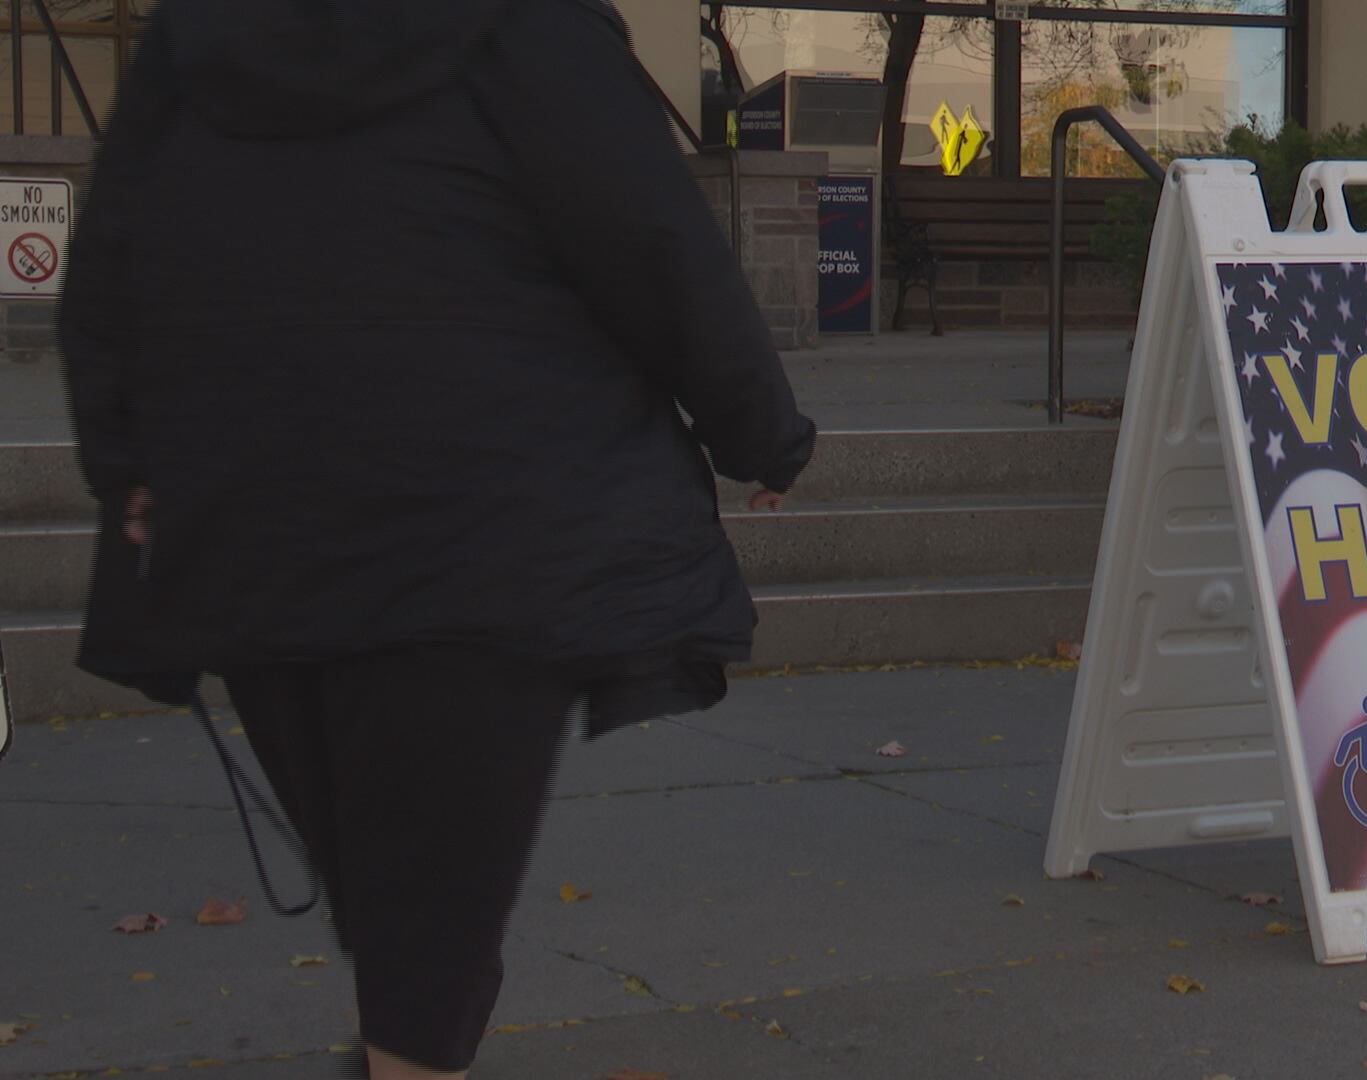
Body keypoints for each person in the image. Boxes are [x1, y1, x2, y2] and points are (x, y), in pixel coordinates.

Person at [58, 1, 815, 1076]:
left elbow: (109, 269)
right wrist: (762, 436)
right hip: (479, 531)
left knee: (393, 907)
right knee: (426, 931)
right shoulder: (525, 27)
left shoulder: (197, 39)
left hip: (254, 527)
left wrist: (126, 460)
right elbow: (652, 246)